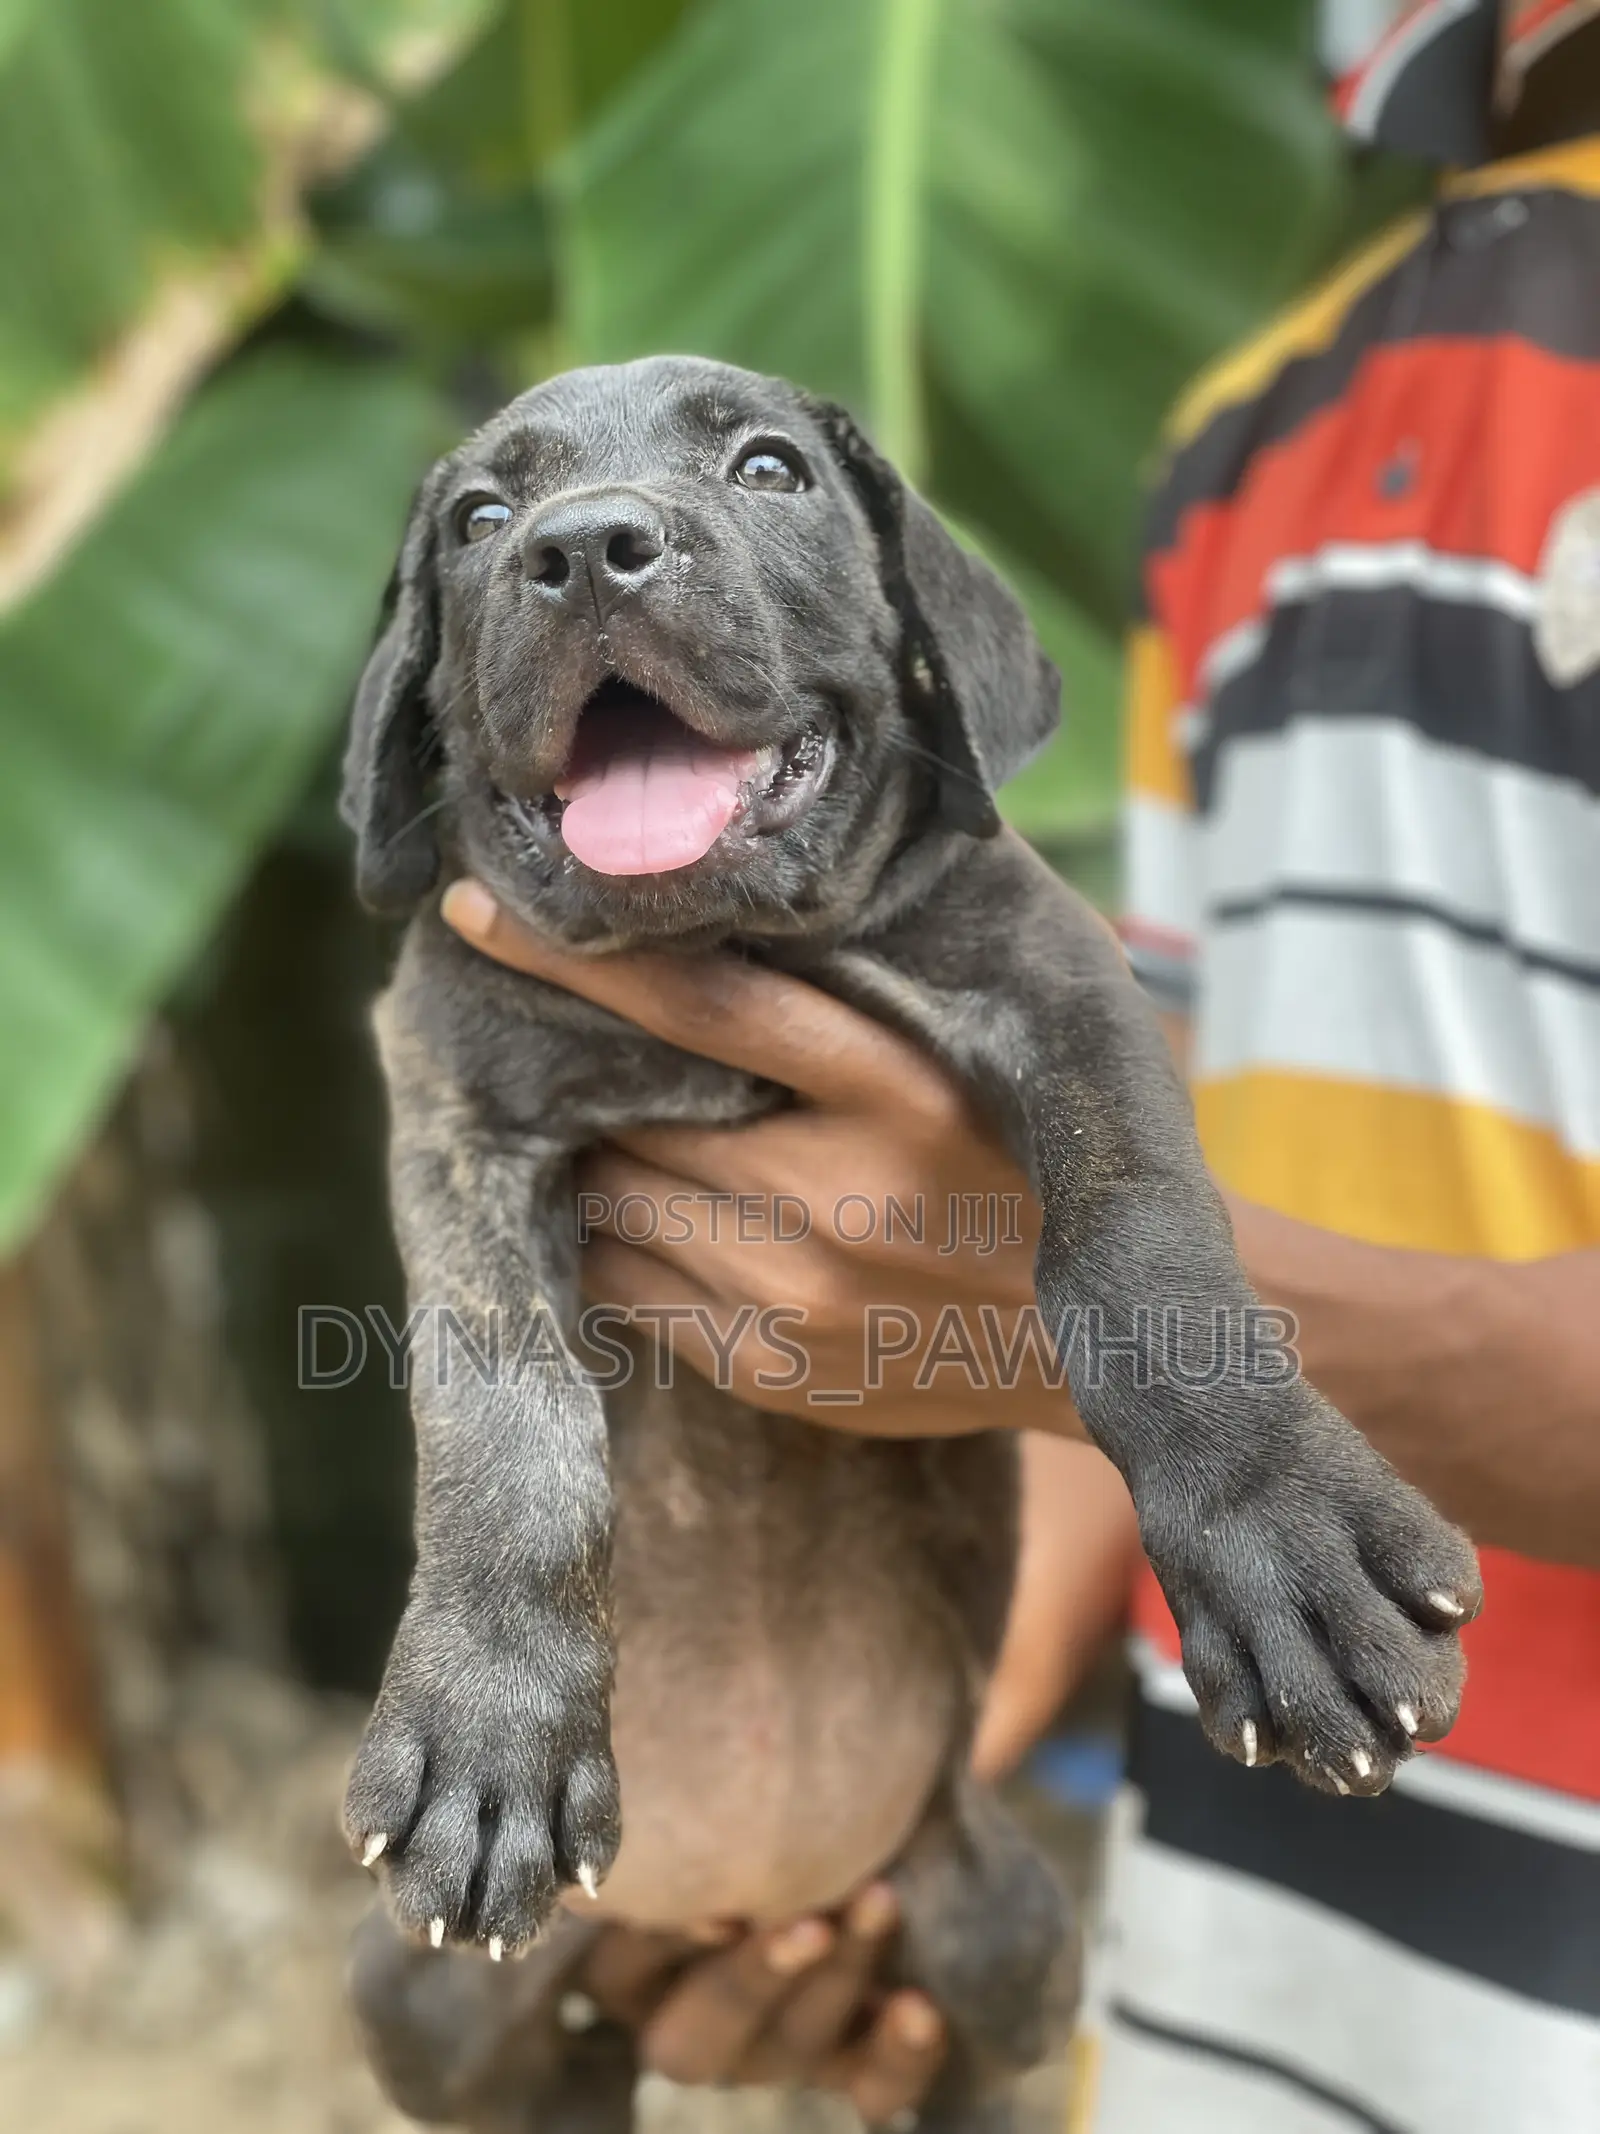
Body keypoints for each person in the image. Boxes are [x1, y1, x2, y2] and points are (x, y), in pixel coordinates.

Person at [432, 3, 1600, 2124]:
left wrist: (1149, 1354)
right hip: (1234, 1971)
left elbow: (1054, 1297)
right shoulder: (1254, 438)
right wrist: (827, 1805)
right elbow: (1111, 1178)